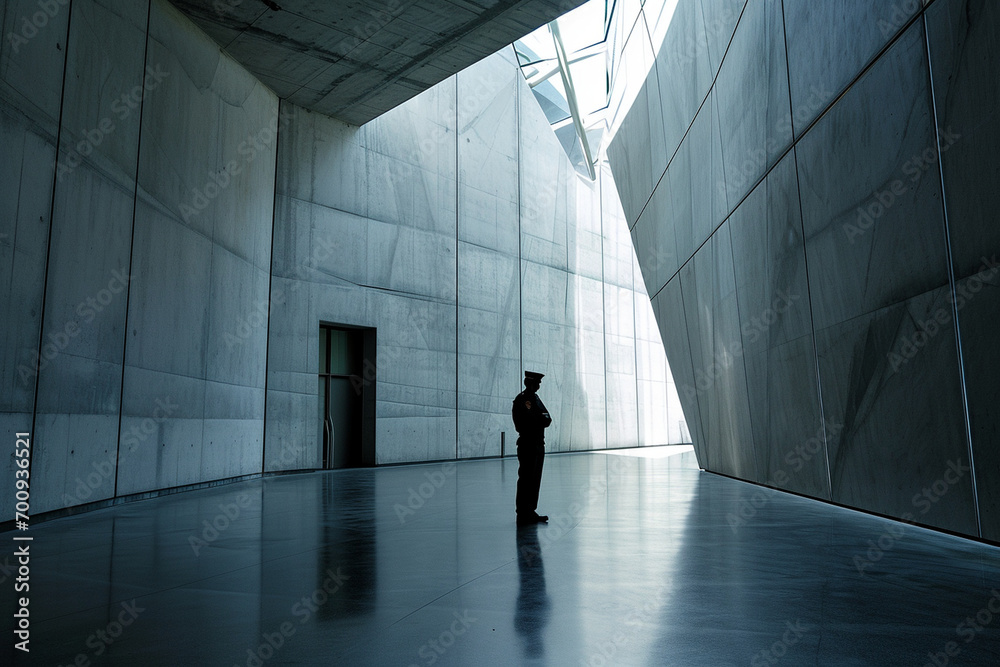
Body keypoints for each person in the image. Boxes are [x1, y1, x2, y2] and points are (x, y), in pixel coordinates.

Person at [512, 371, 551, 525]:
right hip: (528, 444)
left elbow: (547, 418)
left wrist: (540, 418)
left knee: (535, 479)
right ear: (530, 383)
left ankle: (530, 511)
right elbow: (527, 422)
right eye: (537, 383)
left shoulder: (535, 398)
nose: (539, 385)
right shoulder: (523, 399)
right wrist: (540, 418)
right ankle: (522, 513)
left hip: (538, 444)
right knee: (526, 479)